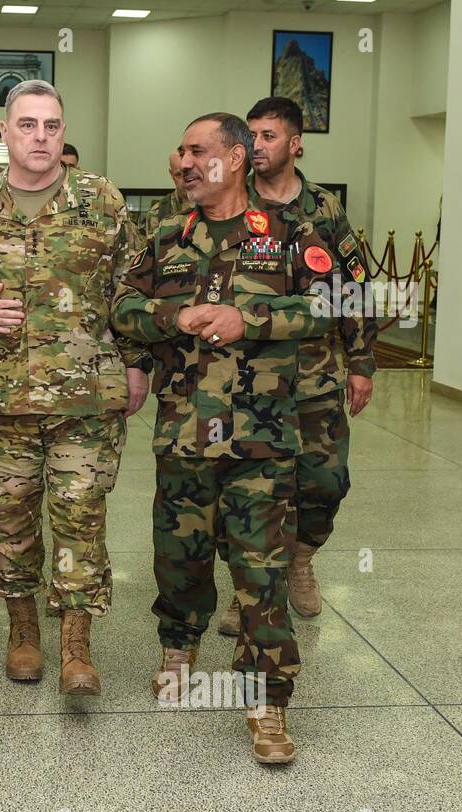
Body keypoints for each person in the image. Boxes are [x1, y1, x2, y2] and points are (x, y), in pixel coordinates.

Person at [112, 112, 336, 764]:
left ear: (235, 159)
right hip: (184, 436)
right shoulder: (163, 236)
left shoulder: (289, 235)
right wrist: (170, 315)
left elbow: (329, 306)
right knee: (178, 560)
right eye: (179, 151)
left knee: (261, 574)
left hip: (262, 442)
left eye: (197, 151)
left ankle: (268, 706)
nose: (182, 162)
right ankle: (177, 651)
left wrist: (251, 318)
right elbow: (121, 307)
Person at [0, 80, 148, 694]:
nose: (40, 137)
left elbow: (130, 289)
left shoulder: (101, 201)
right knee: (7, 519)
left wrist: (137, 364)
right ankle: (23, 629)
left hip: (85, 398)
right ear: (1, 134)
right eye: (26, 125)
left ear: (63, 132)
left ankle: (76, 642)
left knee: (80, 515)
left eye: (51, 126)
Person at [212, 96, 376, 633]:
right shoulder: (228, 202)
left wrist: (361, 363)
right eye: (252, 136)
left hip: (314, 377)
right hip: (245, 378)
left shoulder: (325, 209)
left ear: (296, 143)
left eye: (269, 136)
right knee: (246, 491)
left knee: (325, 483)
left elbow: (353, 289)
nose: (257, 146)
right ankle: (249, 589)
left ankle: (301, 560)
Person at [140, 149, 189, 239]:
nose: (184, 180)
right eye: (178, 174)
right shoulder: (158, 212)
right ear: (171, 174)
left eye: (188, 173)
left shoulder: (212, 207)